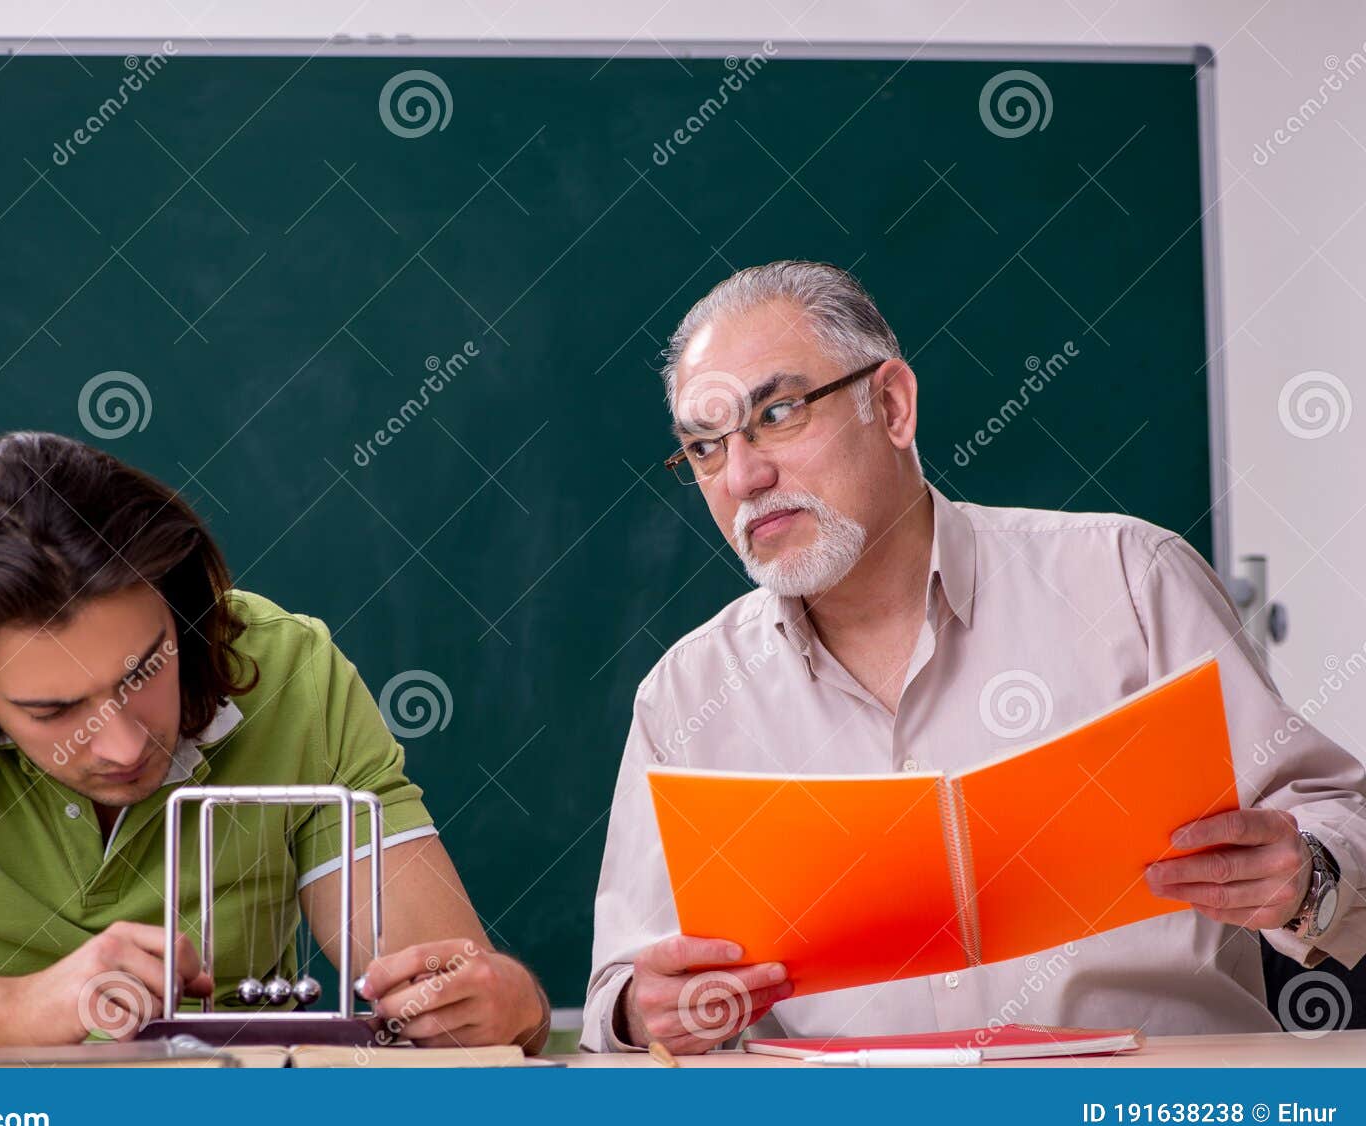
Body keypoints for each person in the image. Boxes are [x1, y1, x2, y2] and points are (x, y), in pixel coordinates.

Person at [583, 259, 1365, 1053]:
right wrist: (641, 1012)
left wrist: (1306, 876)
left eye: (778, 413)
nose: (744, 476)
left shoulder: (1129, 582)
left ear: (891, 406)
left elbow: (1339, 822)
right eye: (705, 448)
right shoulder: (687, 693)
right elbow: (620, 993)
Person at [0, 431, 549, 1051]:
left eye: (145, 669)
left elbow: (448, 985)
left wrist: (509, 1003)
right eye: (55, 709)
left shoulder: (288, 671)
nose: (122, 745)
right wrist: (18, 1007)